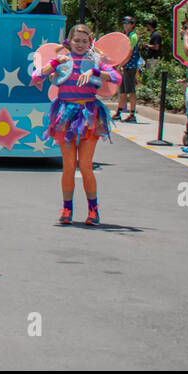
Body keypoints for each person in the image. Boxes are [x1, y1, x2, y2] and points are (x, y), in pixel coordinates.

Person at [31, 23, 120, 226]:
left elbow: (117, 77)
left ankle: (93, 210)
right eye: (76, 40)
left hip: (89, 114)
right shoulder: (62, 61)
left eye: (84, 40)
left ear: (90, 42)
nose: (80, 44)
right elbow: (36, 77)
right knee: (69, 166)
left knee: (86, 166)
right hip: (65, 115)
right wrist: (54, 62)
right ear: (69, 42)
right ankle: (67, 210)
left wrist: (96, 72)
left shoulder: (95, 61)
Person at [112, 15, 142, 123]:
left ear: (132, 24)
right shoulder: (126, 35)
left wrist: (120, 65)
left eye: (128, 23)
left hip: (130, 66)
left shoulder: (133, 36)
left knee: (131, 91)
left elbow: (129, 54)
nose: (125, 25)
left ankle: (132, 114)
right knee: (123, 91)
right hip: (125, 66)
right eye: (124, 23)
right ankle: (118, 113)